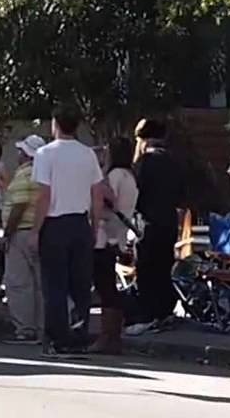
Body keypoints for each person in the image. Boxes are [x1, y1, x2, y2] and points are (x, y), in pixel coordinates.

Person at [33, 104, 104, 356]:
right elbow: (97, 194)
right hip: (80, 222)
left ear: (55, 124)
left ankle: (56, 337)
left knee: (55, 285)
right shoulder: (88, 155)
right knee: (80, 284)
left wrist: (35, 229)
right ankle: (78, 335)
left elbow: (44, 195)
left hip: (55, 223)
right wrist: (95, 226)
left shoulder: (45, 154)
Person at [125, 119, 186, 336]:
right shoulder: (173, 161)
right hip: (169, 220)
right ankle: (164, 312)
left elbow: (136, 193)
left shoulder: (144, 163)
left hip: (148, 222)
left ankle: (147, 315)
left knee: (146, 269)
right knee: (163, 268)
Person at [91, 136, 139, 354]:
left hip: (105, 236)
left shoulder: (113, 176)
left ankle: (106, 336)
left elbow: (106, 205)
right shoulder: (130, 176)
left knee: (105, 288)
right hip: (119, 235)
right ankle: (113, 336)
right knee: (109, 287)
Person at [1, 135, 45, 345]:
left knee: (19, 283)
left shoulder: (25, 174)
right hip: (41, 230)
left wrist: (7, 233)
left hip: (22, 232)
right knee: (40, 282)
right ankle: (43, 326)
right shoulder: (46, 174)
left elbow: (18, 205)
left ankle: (25, 328)